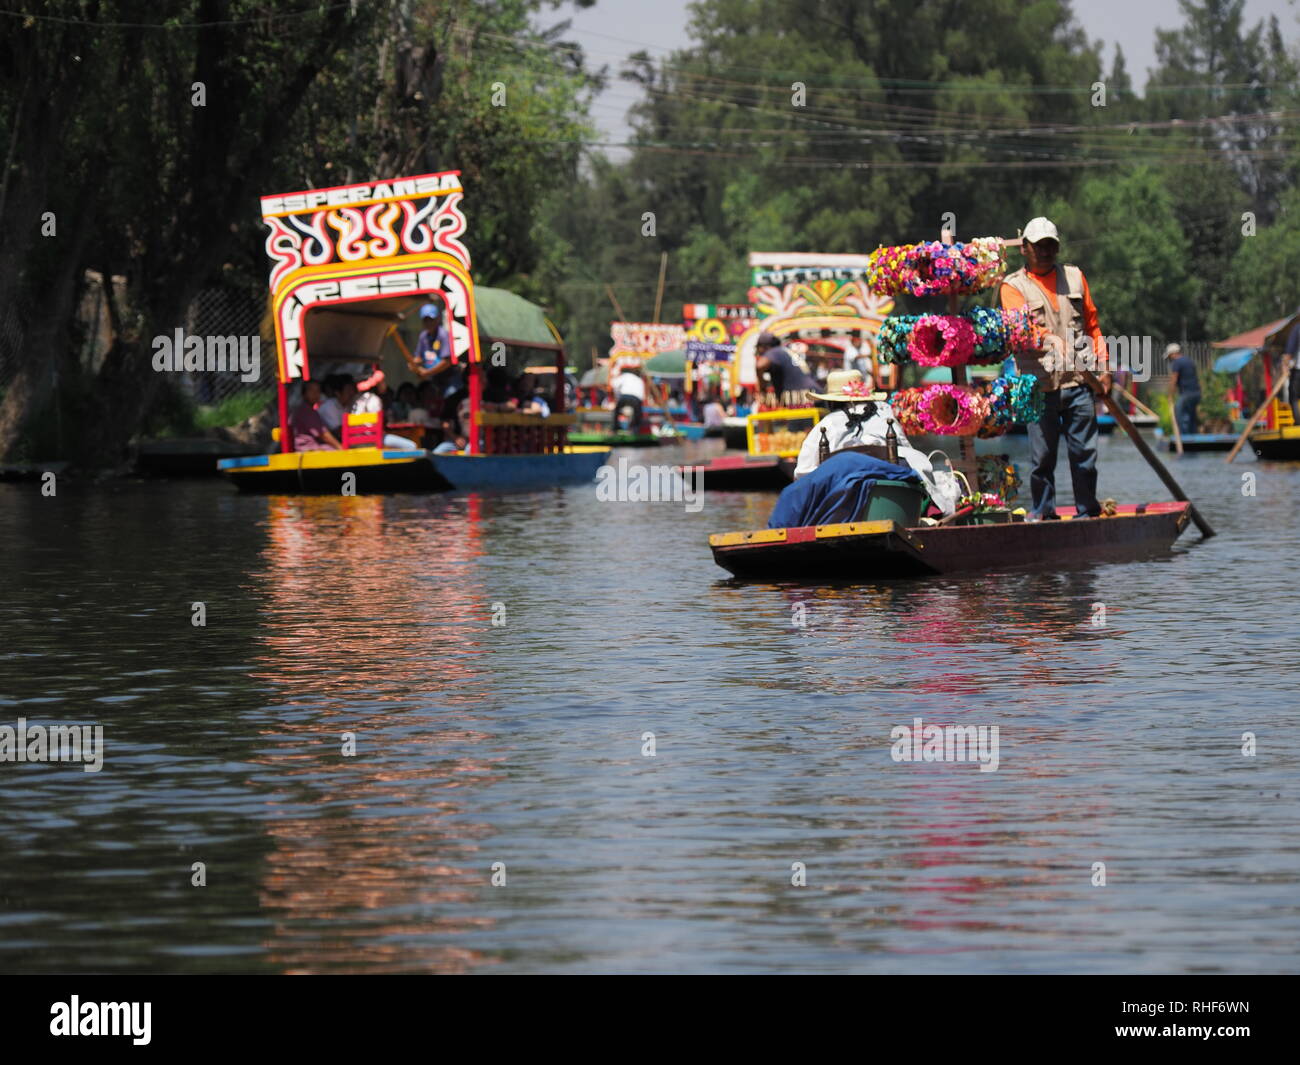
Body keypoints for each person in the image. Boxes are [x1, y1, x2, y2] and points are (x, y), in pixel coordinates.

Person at [999, 216, 1111, 520]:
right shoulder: (1013, 286)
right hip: (1038, 386)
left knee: (1085, 456)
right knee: (1042, 458)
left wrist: (1104, 367)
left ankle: (1087, 512)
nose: (1046, 252)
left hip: (1078, 383)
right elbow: (1020, 330)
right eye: (1039, 246)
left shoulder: (1075, 277)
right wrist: (1048, 338)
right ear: (1025, 248)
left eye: (1051, 246)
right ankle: (1044, 514)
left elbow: (1092, 325)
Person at [754, 331, 816, 406]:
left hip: (803, 398)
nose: (758, 351)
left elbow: (760, 366)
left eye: (758, 348)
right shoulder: (784, 351)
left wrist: (762, 387)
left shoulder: (773, 352)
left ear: (763, 347)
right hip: (814, 394)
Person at [413, 301, 462, 396]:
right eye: (425, 320)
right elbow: (418, 357)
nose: (428, 323)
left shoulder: (443, 335)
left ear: (437, 319)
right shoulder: (423, 336)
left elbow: (447, 362)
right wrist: (414, 364)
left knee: (450, 397)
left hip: (450, 378)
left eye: (431, 320)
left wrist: (427, 372)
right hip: (435, 379)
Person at [289, 379, 342, 451]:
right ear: (304, 393)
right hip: (308, 449)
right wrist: (340, 447)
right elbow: (323, 434)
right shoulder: (306, 411)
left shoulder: (307, 409)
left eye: (318, 391)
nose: (315, 394)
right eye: (311, 390)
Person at [1165, 343, 1201, 435]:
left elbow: (1174, 379)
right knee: (1191, 414)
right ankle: (1193, 435)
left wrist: (1170, 394)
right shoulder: (1190, 361)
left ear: (1173, 354)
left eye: (1169, 356)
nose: (1170, 359)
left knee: (1179, 412)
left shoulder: (1176, 362)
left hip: (1187, 393)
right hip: (1196, 393)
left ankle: (1183, 436)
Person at [612, 363, 646, 430]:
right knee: (638, 414)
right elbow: (642, 396)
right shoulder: (640, 380)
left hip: (625, 397)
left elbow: (614, 385)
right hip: (636, 399)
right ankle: (636, 428)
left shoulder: (625, 376)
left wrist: (617, 396)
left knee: (616, 411)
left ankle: (616, 427)